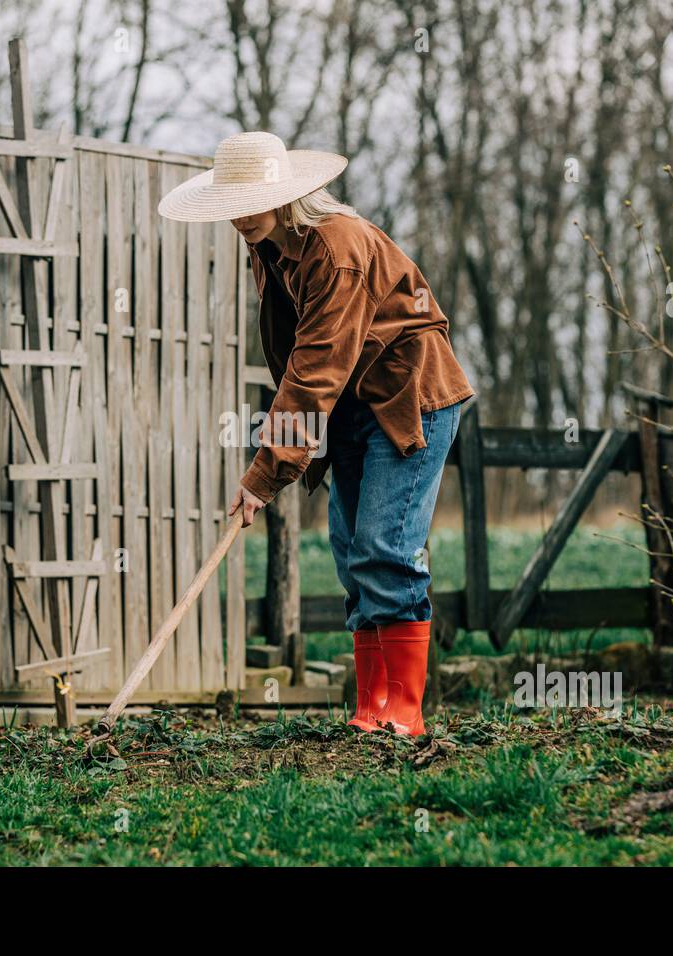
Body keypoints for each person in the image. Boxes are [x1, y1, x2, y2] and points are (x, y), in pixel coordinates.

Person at [159, 132, 473, 736]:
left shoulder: (336, 249)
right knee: (352, 551)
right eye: (232, 205)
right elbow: (307, 367)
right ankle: (372, 707)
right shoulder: (269, 247)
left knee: (384, 548)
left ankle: (404, 712)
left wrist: (264, 473)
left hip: (407, 401)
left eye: (250, 201)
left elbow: (313, 371)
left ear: (284, 195)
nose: (240, 217)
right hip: (352, 410)